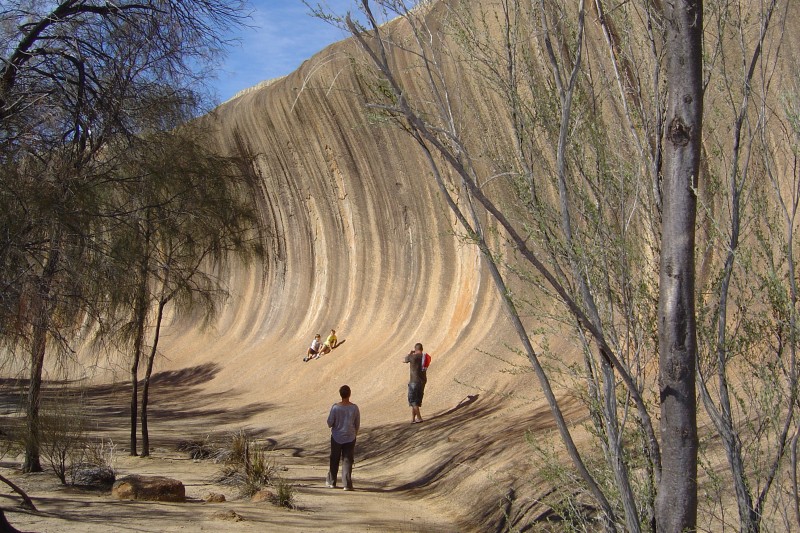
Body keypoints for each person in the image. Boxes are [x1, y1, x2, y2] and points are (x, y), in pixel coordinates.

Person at [326, 384, 360, 491]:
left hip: (336, 436)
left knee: (334, 458)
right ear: (349, 394)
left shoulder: (335, 407)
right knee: (347, 460)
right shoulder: (354, 408)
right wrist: (355, 433)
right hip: (350, 437)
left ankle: (332, 481)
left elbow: (329, 422)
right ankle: (347, 484)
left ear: (340, 394)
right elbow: (357, 423)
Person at [403, 342, 427, 423]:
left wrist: (410, 353)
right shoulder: (424, 357)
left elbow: (405, 360)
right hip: (422, 381)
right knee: (416, 401)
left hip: (414, 382)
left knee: (413, 401)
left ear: (415, 349)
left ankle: (419, 418)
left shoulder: (413, 357)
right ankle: (413, 419)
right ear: (422, 349)